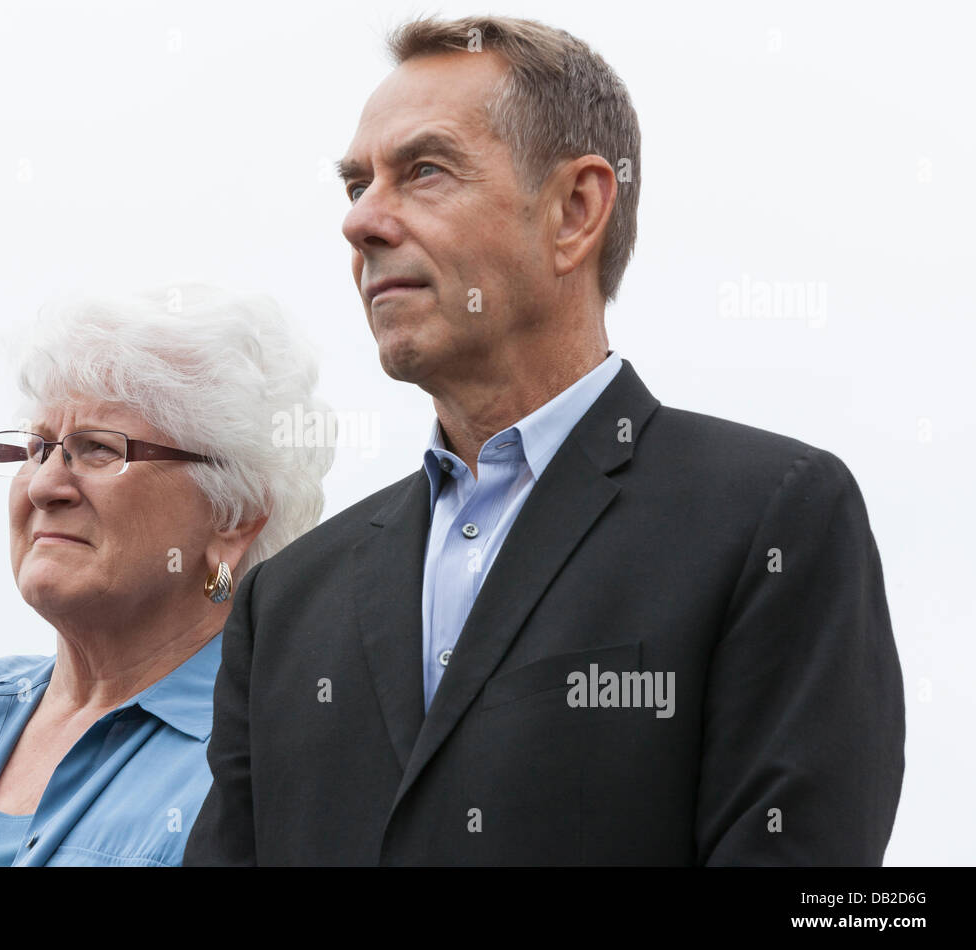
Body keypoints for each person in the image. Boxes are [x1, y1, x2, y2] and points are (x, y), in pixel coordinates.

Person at [185, 15, 905, 865]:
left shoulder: (770, 519)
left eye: (423, 171)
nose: (362, 222)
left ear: (575, 210)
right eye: (355, 186)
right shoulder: (285, 602)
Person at [0, 284, 332, 866]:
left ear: (234, 516)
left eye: (98, 450)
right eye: (39, 448)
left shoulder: (280, 762)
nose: (45, 485)